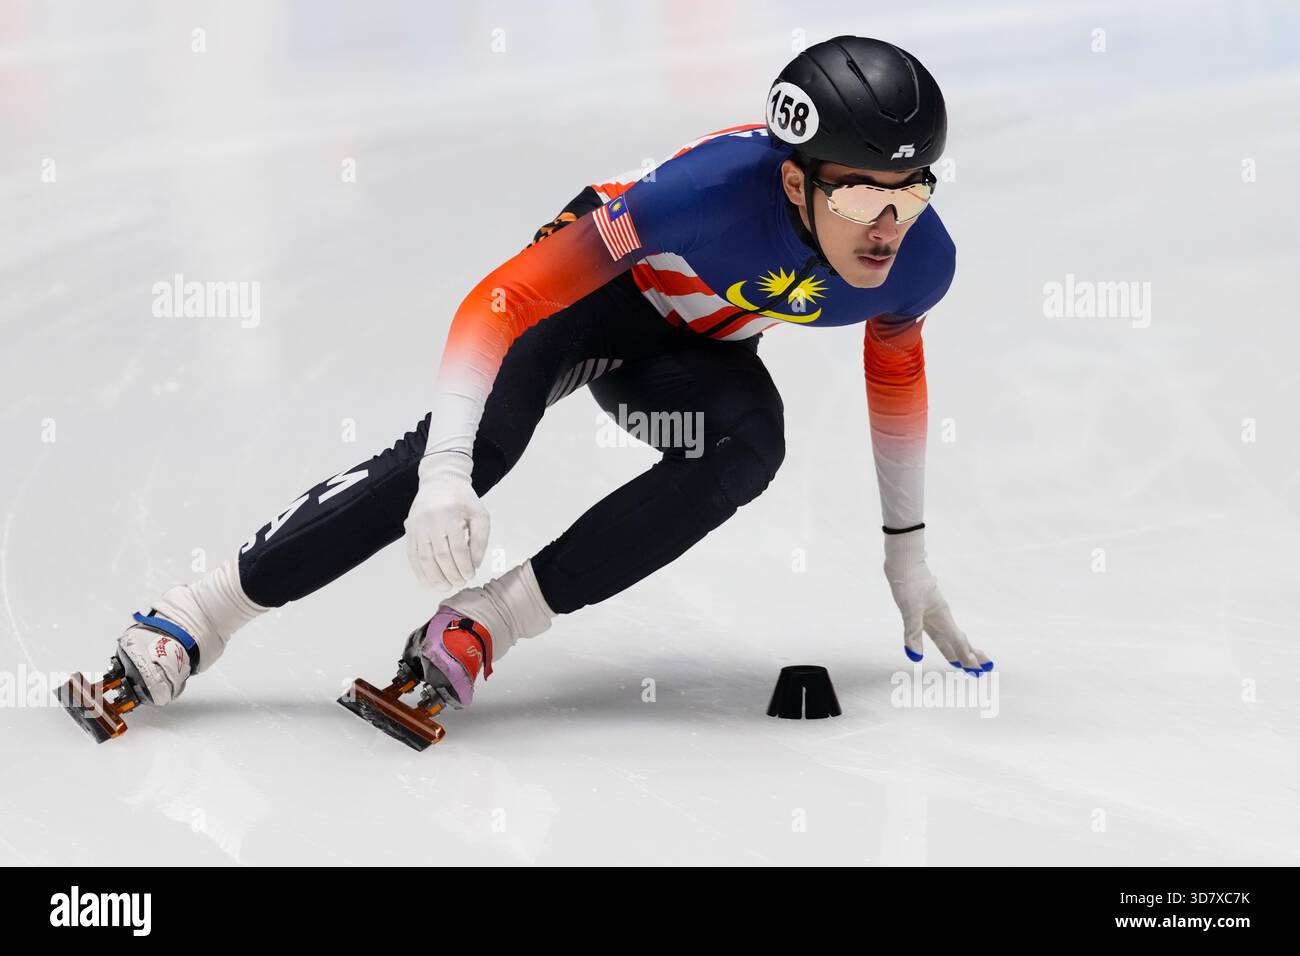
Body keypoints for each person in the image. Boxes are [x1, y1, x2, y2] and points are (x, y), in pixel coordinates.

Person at [112, 35, 992, 720]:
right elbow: (500, 299)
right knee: (476, 453)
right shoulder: (698, 195)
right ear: (795, 183)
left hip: (691, 356)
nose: (886, 226)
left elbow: (897, 377)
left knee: (746, 448)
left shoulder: (919, 263)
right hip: (593, 303)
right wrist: (445, 472)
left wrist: (906, 553)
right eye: (858, 197)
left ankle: (488, 620)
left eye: (910, 193)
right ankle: (201, 613)